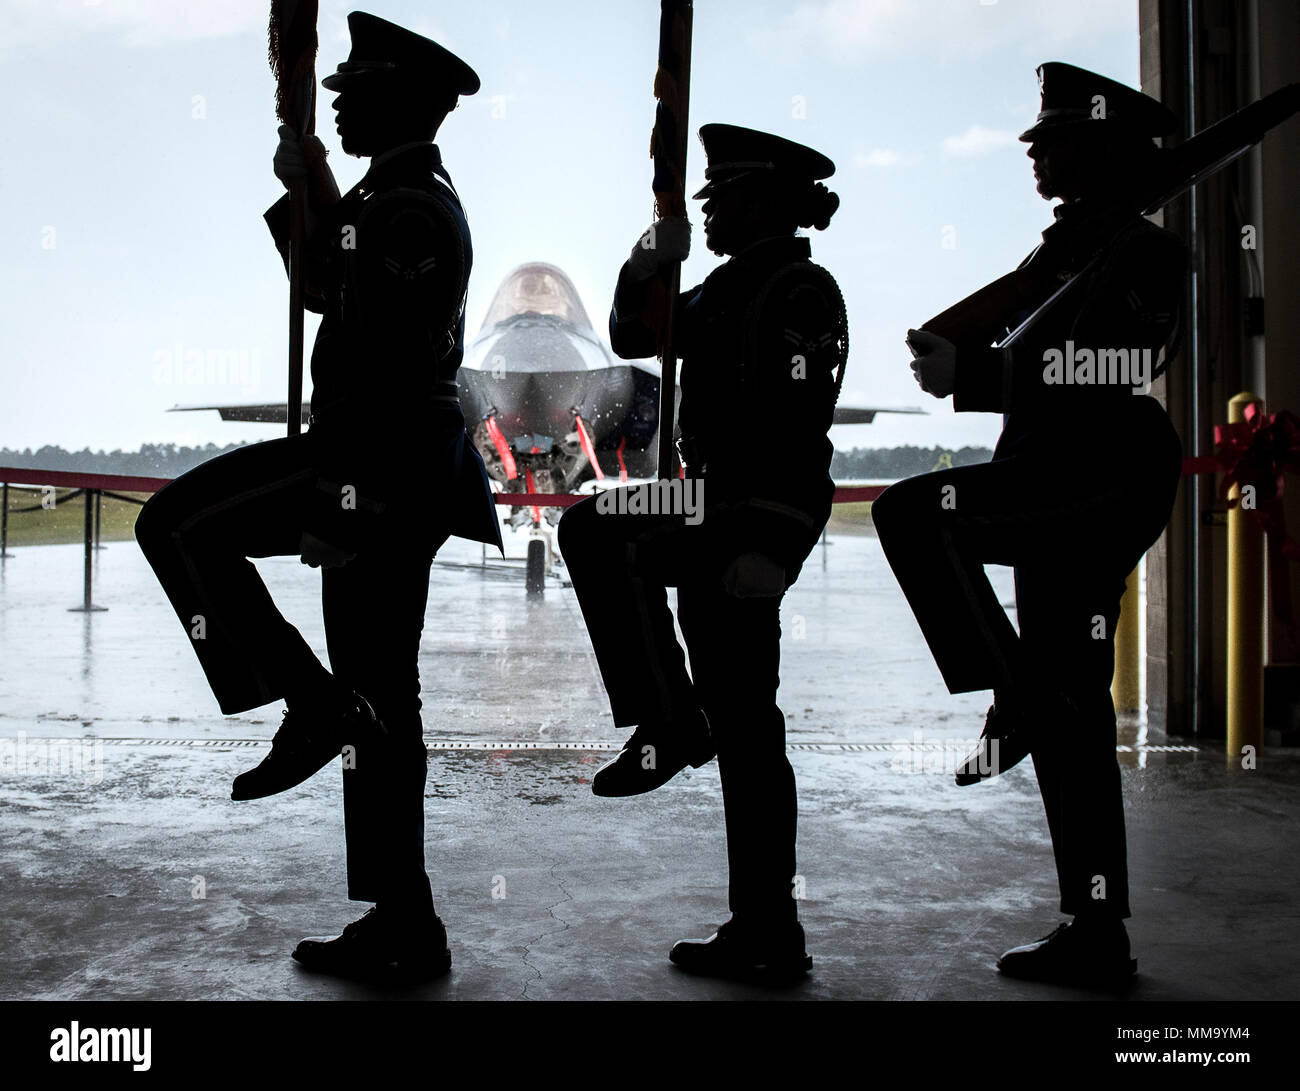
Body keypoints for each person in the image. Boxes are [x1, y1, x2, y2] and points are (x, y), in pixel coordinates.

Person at [134, 11, 501, 985]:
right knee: (381, 700)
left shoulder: (412, 203)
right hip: (374, 465)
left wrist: (349, 504)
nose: (335, 100)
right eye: (330, 89)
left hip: (377, 464)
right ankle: (403, 918)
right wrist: (306, 184)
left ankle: (303, 699)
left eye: (354, 90)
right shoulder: (387, 194)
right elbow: (320, 289)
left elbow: (376, 352)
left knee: (174, 525)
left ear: (405, 100)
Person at [871, 62, 1186, 987]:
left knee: (914, 511)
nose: (1034, 150)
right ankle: (1094, 927)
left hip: (1102, 472)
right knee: (1076, 704)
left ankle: (1009, 693)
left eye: (1052, 136)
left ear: (1097, 144)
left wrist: (974, 379)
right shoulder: (1067, 249)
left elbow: (1111, 364)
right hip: (1051, 469)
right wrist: (964, 359)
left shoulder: (1141, 254)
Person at [557, 124, 847, 983]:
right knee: (744, 722)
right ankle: (759, 921)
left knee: (750, 727)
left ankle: (674, 728)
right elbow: (633, 334)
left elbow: (802, 434)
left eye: (720, 199)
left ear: (764, 201)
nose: (707, 211)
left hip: (748, 513)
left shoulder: (798, 289)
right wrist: (648, 256)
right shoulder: (722, 286)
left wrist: (780, 543)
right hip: (710, 503)